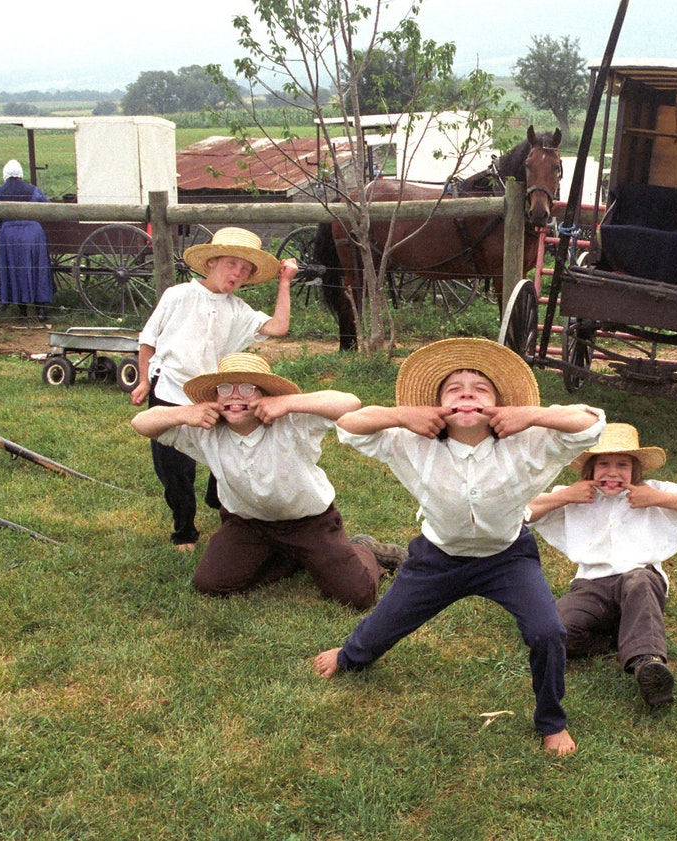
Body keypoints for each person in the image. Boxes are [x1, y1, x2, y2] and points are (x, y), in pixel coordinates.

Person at [312, 338, 605, 755]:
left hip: (507, 557)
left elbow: (592, 422)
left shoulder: (531, 440)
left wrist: (531, 415)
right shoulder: (411, 439)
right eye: (454, 387)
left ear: (500, 406)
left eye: (480, 388)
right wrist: (403, 416)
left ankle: (552, 722)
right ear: (436, 407)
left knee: (547, 631)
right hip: (437, 557)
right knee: (387, 621)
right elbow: (348, 426)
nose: (467, 392)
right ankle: (351, 656)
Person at [131, 352, 405, 605]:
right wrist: (183, 413)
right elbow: (141, 424)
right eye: (225, 389)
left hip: (309, 524)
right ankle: (290, 557)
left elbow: (349, 403)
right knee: (210, 583)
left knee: (355, 595)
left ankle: (364, 549)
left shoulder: (293, 421)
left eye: (247, 388)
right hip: (247, 524)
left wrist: (287, 402)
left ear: (265, 395)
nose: (235, 396)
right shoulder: (206, 430)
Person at [130, 227, 298, 551]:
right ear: (211, 263)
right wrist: (143, 380)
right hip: (170, 390)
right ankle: (184, 531)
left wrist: (285, 282)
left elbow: (279, 326)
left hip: (211, 394)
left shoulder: (238, 310)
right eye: (232, 264)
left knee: (225, 454)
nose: (237, 273)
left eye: (245, 269)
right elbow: (148, 340)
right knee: (174, 468)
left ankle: (220, 502)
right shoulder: (178, 295)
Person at [527, 423, 677, 709]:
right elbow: (523, 512)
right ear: (590, 468)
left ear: (635, 470)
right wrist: (564, 496)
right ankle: (620, 638)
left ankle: (647, 663)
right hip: (591, 586)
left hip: (639, 580)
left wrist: (658, 499)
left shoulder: (651, 491)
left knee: (639, 580)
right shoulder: (575, 494)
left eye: (622, 464)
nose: (612, 472)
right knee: (551, 633)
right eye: (603, 463)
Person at [0, 160, 53, 320]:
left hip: (9, 235)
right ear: (21, 174)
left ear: (5, 175)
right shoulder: (33, 190)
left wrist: (0, 223)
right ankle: (41, 311)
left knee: (15, 270)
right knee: (38, 268)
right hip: (33, 233)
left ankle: (22, 311)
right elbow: (48, 208)